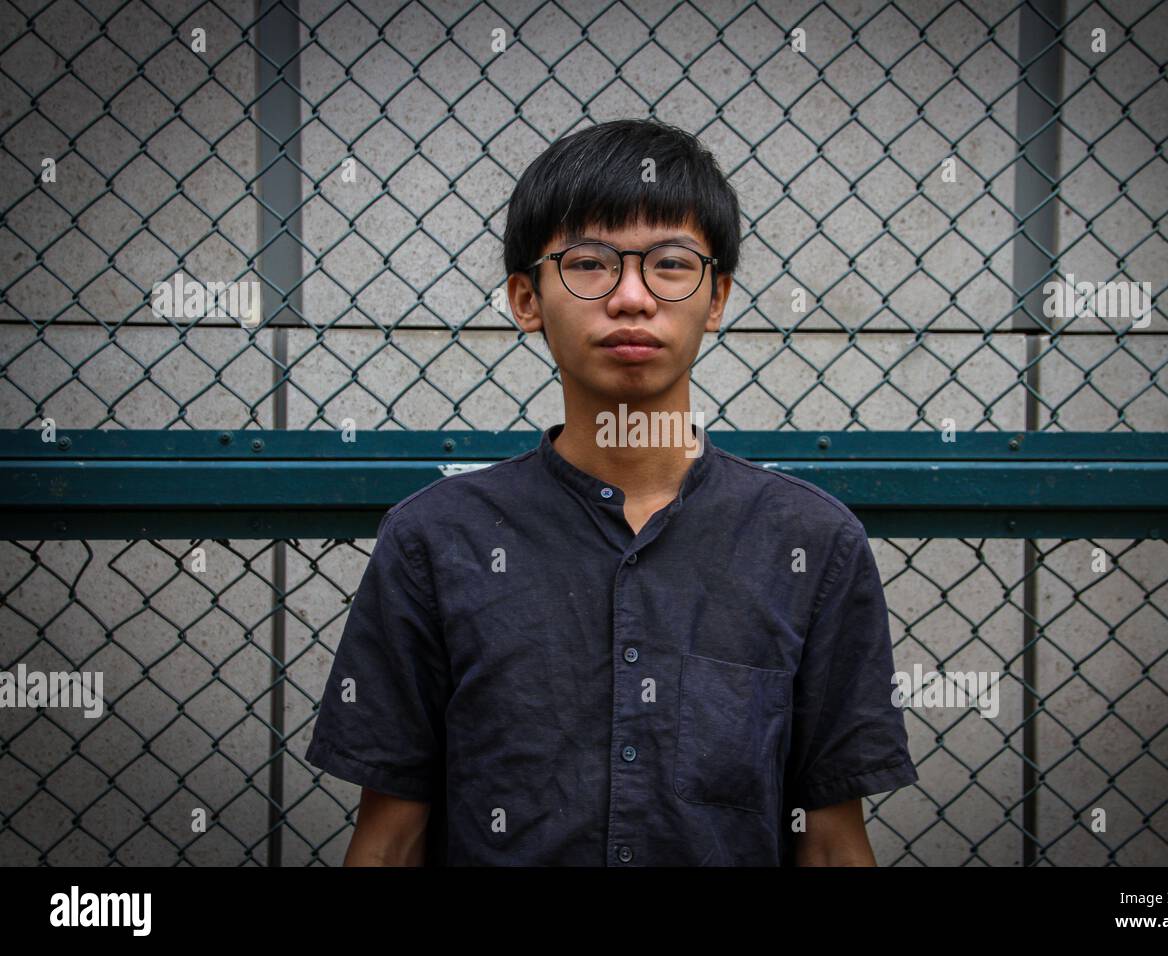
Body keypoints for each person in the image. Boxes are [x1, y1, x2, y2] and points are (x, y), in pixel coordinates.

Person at [305, 118, 919, 866]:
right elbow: (391, 839)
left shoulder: (810, 544)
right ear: (527, 299)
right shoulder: (435, 541)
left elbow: (830, 844)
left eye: (669, 264)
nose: (632, 298)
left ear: (717, 297)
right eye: (590, 263)